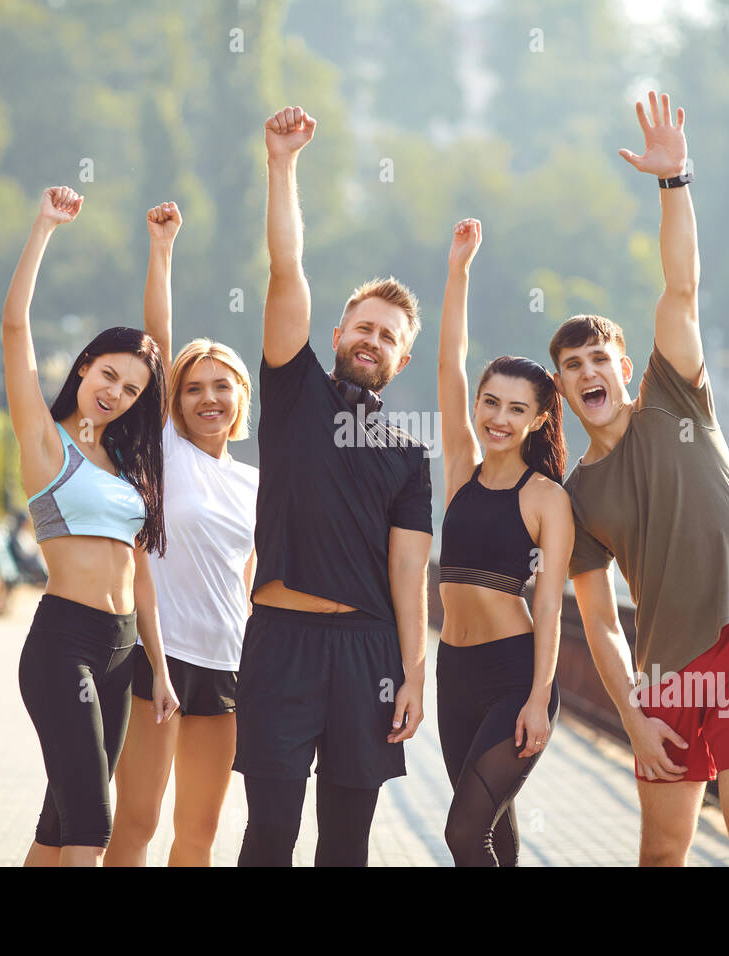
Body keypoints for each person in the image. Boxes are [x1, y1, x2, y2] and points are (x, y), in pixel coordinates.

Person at [552, 92, 729, 867]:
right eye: (572, 366)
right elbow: (598, 622)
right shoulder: (577, 495)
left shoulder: (674, 393)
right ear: (562, 389)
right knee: (662, 852)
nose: (589, 371)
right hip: (665, 670)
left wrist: (674, 181)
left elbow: (680, 285)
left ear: (625, 368)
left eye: (600, 358)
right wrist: (630, 712)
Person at [233, 106, 435, 867]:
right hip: (280, 642)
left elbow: (409, 577)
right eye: (364, 325)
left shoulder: (411, 456)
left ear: (400, 361)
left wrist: (416, 674)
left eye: (389, 336)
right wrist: (282, 166)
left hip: (368, 654)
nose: (372, 340)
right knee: (270, 834)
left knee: (346, 844)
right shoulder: (293, 394)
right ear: (336, 333)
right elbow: (287, 270)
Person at [4, 186, 177, 867]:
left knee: (60, 825)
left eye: (131, 389)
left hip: (122, 647)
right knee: (91, 828)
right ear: (83, 366)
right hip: (64, 644)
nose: (116, 392)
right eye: (108, 375)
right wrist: (43, 227)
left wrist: (160, 254)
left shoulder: (133, 461)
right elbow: (15, 329)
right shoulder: (47, 444)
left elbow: (139, 577)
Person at [106, 201, 259, 867]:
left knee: (197, 834)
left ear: (240, 398)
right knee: (136, 823)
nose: (208, 398)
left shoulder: (255, 484)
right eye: (194, 388)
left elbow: (248, 579)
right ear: (175, 400)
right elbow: (158, 342)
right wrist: (162, 249)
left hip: (226, 664)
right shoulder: (164, 447)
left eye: (222, 387)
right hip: (157, 655)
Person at [435, 217, 572, 865]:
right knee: (496, 832)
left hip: (513, 677)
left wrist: (540, 699)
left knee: (463, 835)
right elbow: (449, 367)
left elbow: (549, 605)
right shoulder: (461, 467)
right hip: (452, 672)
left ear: (539, 418)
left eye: (517, 409)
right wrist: (458, 272)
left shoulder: (547, 498)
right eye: (491, 403)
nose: (497, 417)